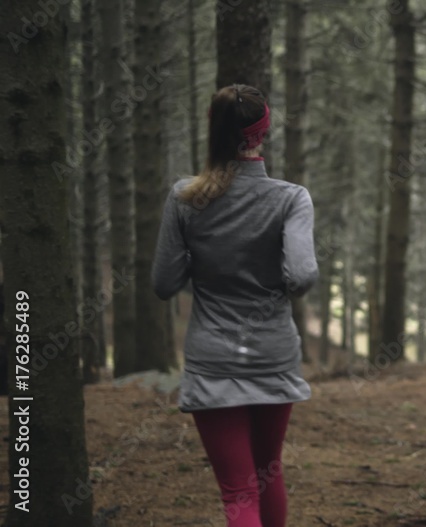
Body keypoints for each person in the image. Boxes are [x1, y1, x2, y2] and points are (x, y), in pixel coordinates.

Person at [151, 83, 318, 527]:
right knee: (268, 475)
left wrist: (202, 257)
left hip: (214, 358)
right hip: (272, 352)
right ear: (262, 132)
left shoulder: (186, 198)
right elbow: (302, 277)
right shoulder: (290, 198)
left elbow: (164, 283)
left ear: (214, 129)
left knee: (239, 491)